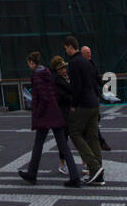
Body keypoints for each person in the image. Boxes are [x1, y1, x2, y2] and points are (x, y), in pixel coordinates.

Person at [18, 52, 81, 188]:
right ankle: (74, 175)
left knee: (39, 144)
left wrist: (38, 112)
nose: (29, 66)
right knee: (62, 145)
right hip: (55, 112)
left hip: (46, 115)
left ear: (31, 63)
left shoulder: (37, 75)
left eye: (29, 63)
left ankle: (32, 174)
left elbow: (43, 96)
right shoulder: (47, 73)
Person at [63, 36, 104, 184]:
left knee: (75, 132)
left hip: (84, 104)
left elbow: (76, 87)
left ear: (69, 47)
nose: (66, 51)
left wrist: (74, 104)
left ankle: (93, 165)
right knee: (93, 137)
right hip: (94, 102)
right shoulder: (87, 62)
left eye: (66, 48)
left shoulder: (74, 63)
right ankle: (98, 173)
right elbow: (95, 81)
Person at [81, 45, 112, 151]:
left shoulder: (91, 63)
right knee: (92, 120)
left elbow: (97, 76)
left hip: (93, 96)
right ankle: (100, 141)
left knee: (93, 120)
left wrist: (104, 87)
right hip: (86, 98)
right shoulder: (81, 65)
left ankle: (94, 140)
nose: (90, 54)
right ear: (82, 54)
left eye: (90, 52)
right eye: (87, 53)